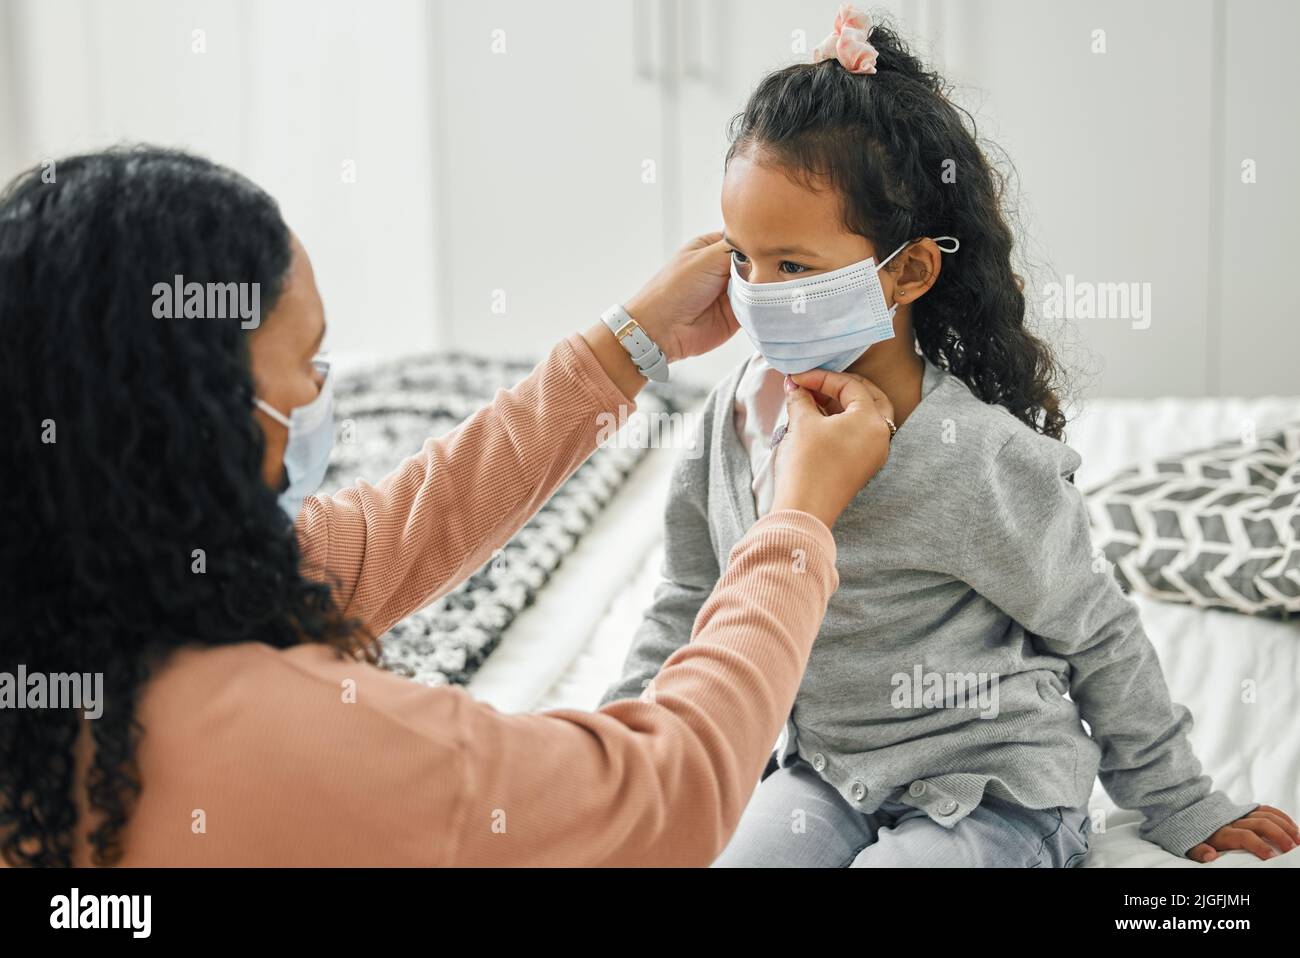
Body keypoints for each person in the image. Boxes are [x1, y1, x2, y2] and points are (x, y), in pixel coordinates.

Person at [0, 145, 896, 867]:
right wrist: (796, 526)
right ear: (202, 413)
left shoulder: (90, 590)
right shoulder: (325, 745)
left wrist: (628, 345)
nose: (325, 390)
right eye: (310, 364)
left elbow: (400, 529)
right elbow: (663, 793)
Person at [600, 7, 1298, 866]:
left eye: (794, 267)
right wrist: (607, 770)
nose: (757, 292)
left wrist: (1182, 802)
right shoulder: (731, 424)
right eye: (742, 259)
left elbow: (1097, 630)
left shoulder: (976, 458)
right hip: (831, 772)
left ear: (909, 272)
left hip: (994, 783)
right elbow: (688, 603)